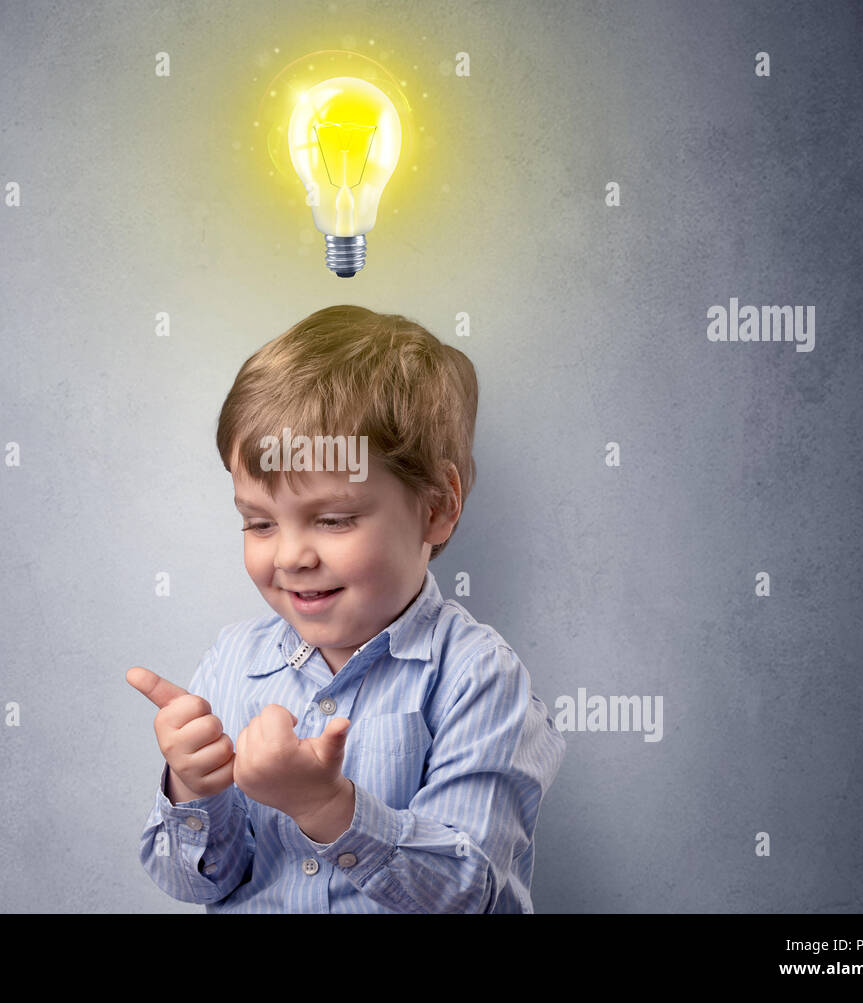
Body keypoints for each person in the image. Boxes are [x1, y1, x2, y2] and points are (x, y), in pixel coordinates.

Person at [126, 304, 566, 912]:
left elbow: (470, 894)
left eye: (333, 519)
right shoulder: (232, 662)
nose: (290, 556)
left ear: (436, 507)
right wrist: (193, 790)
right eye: (258, 523)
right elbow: (193, 883)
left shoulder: (476, 677)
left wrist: (328, 808)